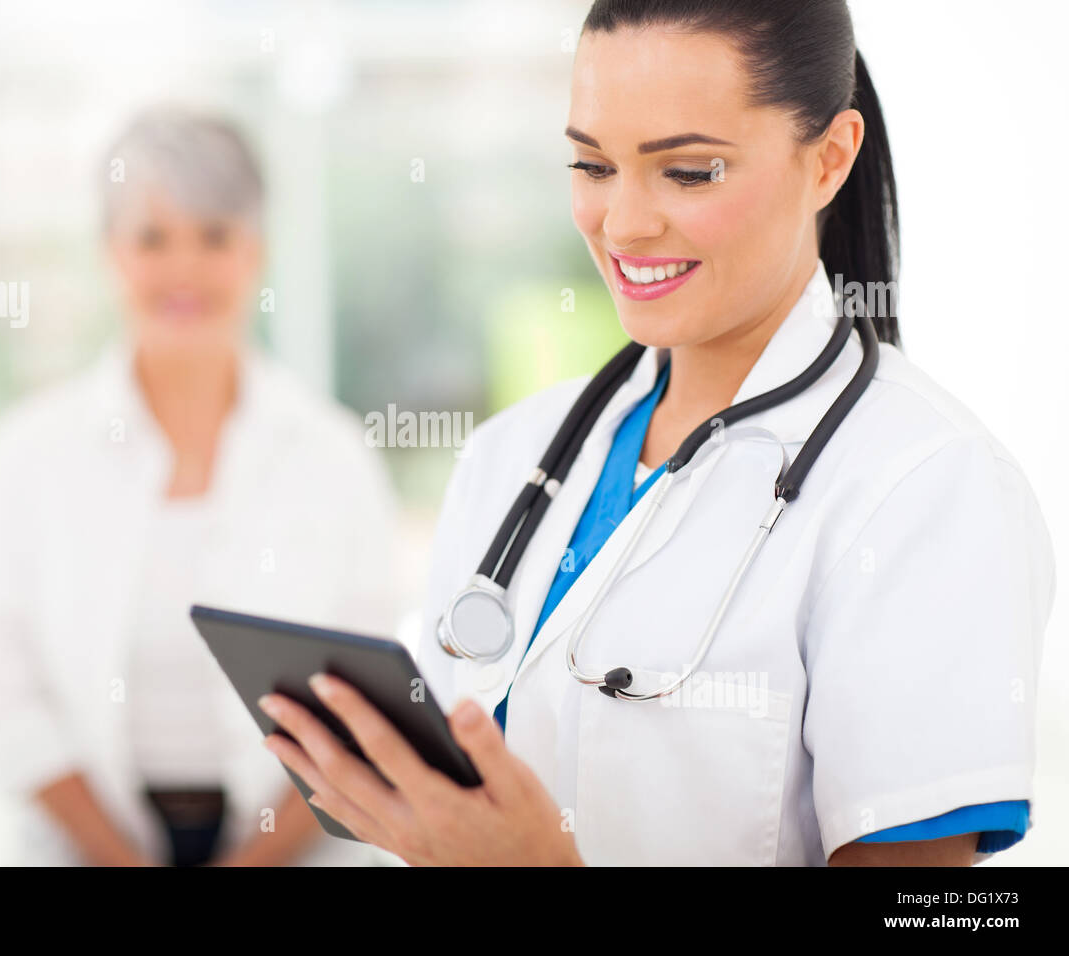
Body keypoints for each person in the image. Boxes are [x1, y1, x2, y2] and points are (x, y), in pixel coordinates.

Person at [253, 0, 1056, 866]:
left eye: (690, 172)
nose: (625, 223)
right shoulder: (510, 455)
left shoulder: (928, 487)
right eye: (592, 165)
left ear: (828, 159)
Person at [0, 107, 398, 866]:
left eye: (213, 237)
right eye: (152, 238)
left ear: (255, 253)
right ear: (110, 251)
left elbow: (360, 700)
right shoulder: (31, 455)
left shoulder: (333, 454)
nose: (184, 270)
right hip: (85, 851)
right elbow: (12, 700)